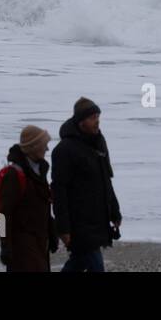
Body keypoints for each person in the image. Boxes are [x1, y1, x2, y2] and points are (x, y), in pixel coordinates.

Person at [51, 97, 121, 272]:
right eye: (92, 117)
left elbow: (106, 180)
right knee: (95, 265)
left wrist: (114, 210)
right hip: (78, 222)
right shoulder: (64, 150)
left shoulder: (99, 142)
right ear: (81, 121)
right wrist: (63, 228)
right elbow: (59, 191)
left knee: (80, 262)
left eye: (98, 116)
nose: (97, 121)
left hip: (98, 219)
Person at [0, 125, 59, 272]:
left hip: (39, 242)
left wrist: (52, 231)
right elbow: (0, 213)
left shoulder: (38, 171)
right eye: (44, 145)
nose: (47, 149)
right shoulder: (13, 175)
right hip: (20, 245)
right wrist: (4, 246)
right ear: (33, 147)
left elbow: (43, 206)